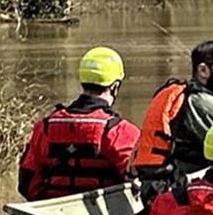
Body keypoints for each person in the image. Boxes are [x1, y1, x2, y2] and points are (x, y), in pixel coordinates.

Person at [18, 47, 141, 200]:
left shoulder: (45, 127)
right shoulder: (121, 131)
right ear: (115, 87)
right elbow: (138, 180)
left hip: (52, 213)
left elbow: (27, 184)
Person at [132, 39, 213, 195]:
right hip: (172, 188)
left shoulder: (202, 98)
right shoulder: (202, 103)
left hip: (166, 184)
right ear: (203, 71)